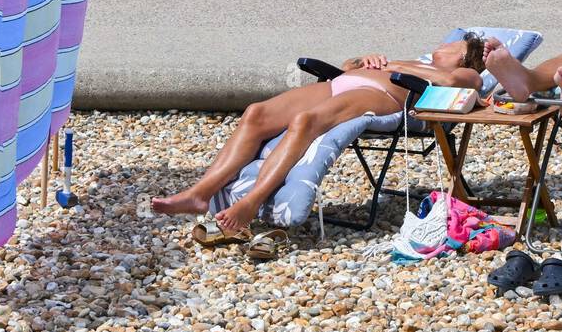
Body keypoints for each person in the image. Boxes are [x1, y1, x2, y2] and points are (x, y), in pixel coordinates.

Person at [151, 34, 502, 235]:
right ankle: (201, 193)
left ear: (464, 57)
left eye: (454, 43)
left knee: (305, 121)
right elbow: (349, 66)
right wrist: (361, 60)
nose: (444, 43)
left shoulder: (469, 75)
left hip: (381, 98)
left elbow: (450, 83)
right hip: (341, 83)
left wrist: (393, 65)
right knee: (256, 113)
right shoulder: (412, 59)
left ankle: (251, 202)